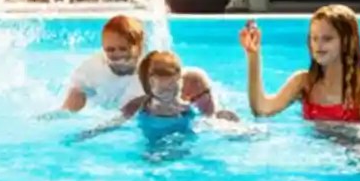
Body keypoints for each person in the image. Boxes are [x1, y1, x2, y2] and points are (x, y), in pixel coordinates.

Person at [239, 6, 360, 125]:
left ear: (347, 42)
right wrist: (253, 56)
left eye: (327, 39)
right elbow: (261, 109)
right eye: (314, 38)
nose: (318, 45)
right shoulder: (304, 82)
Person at [56, 14, 225, 116]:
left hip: (137, 102)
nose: (117, 55)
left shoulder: (149, 66)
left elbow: (172, 76)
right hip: (108, 101)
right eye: (110, 49)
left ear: (139, 47)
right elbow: (77, 91)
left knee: (195, 77)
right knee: (77, 92)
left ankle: (212, 114)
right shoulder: (93, 67)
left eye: (123, 49)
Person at [73, 50, 240, 142]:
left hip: (182, 144)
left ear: (180, 82)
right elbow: (115, 122)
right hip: (152, 146)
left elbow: (210, 123)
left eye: (173, 88)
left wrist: (239, 131)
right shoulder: (138, 106)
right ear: (150, 86)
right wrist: (90, 133)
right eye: (163, 89)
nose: (169, 95)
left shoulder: (187, 110)